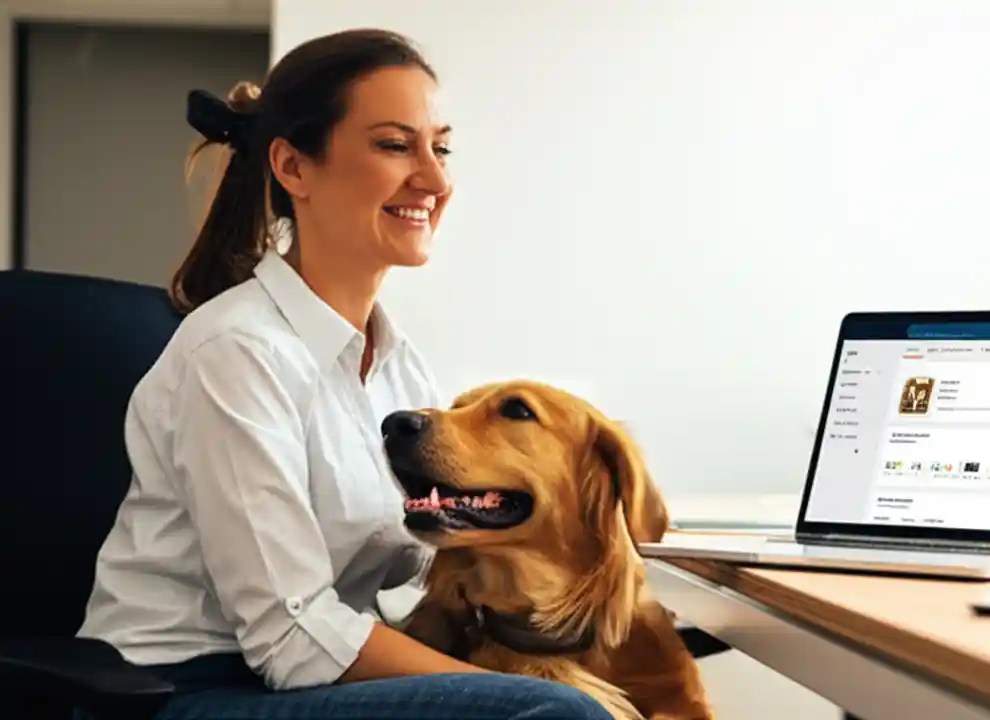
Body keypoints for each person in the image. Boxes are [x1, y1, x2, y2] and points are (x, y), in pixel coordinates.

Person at [76, 28, 612, 720]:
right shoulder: (237, 353)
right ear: (294, 169)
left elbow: (416, 573)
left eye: (439, 147)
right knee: (555, 717)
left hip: (303, 678)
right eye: (395, 145)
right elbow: (293, 637)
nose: (437, 179)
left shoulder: (396, 366)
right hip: (184, 690)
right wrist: (522, 693)